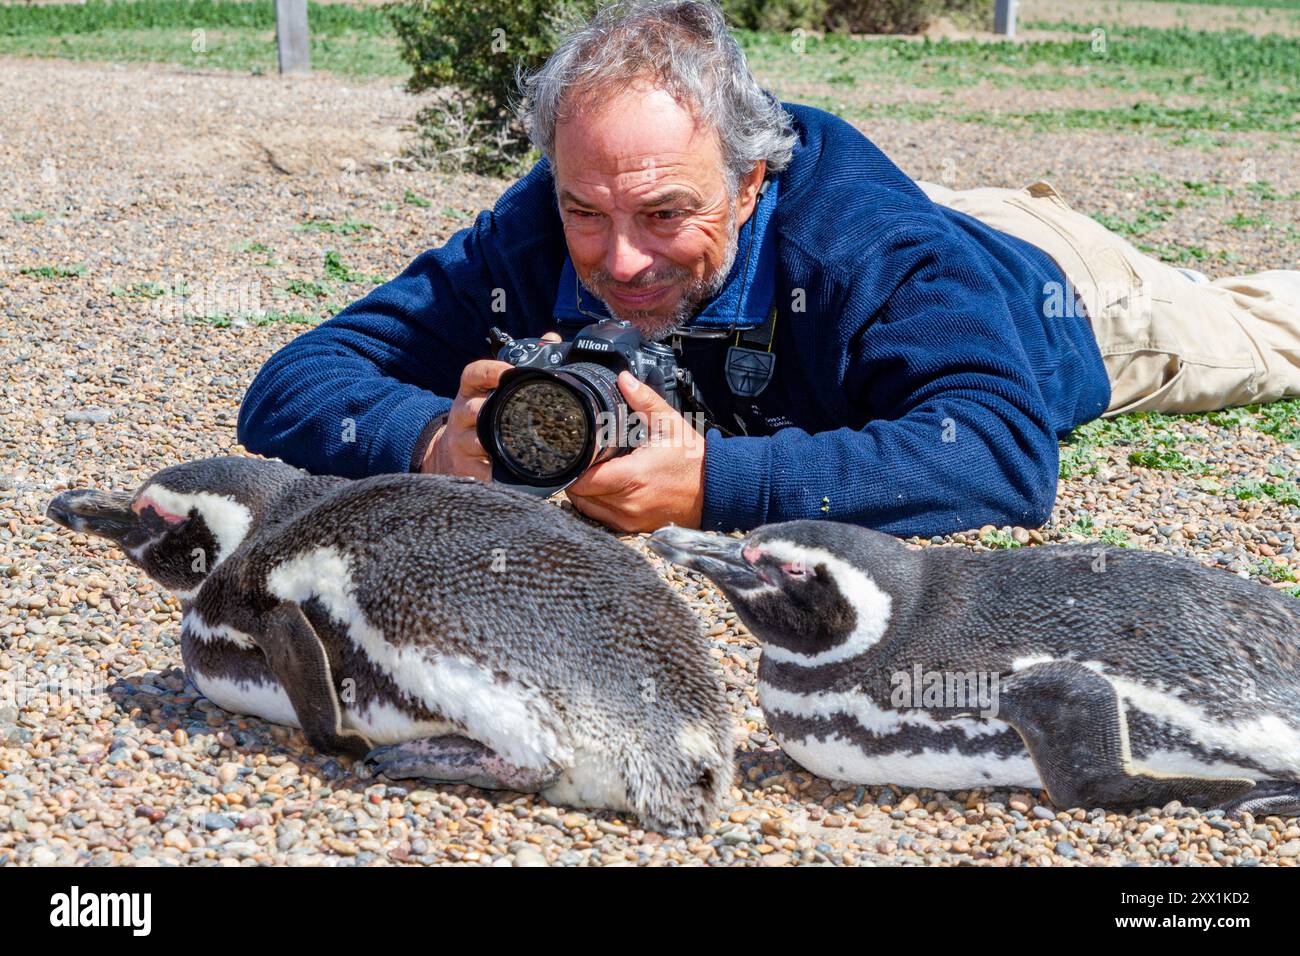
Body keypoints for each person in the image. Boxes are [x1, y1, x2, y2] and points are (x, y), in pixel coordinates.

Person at [237, 0, 1300, 537]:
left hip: (1054, 288)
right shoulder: (534, 230)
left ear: (749, 182)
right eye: (585, 212)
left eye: (665, 214)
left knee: (1253, 329)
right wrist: (430, 440)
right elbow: (294, 381)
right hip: (895, 231)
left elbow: (999, 452)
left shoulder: (866, 256)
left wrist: (714, 482)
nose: (618, 259)